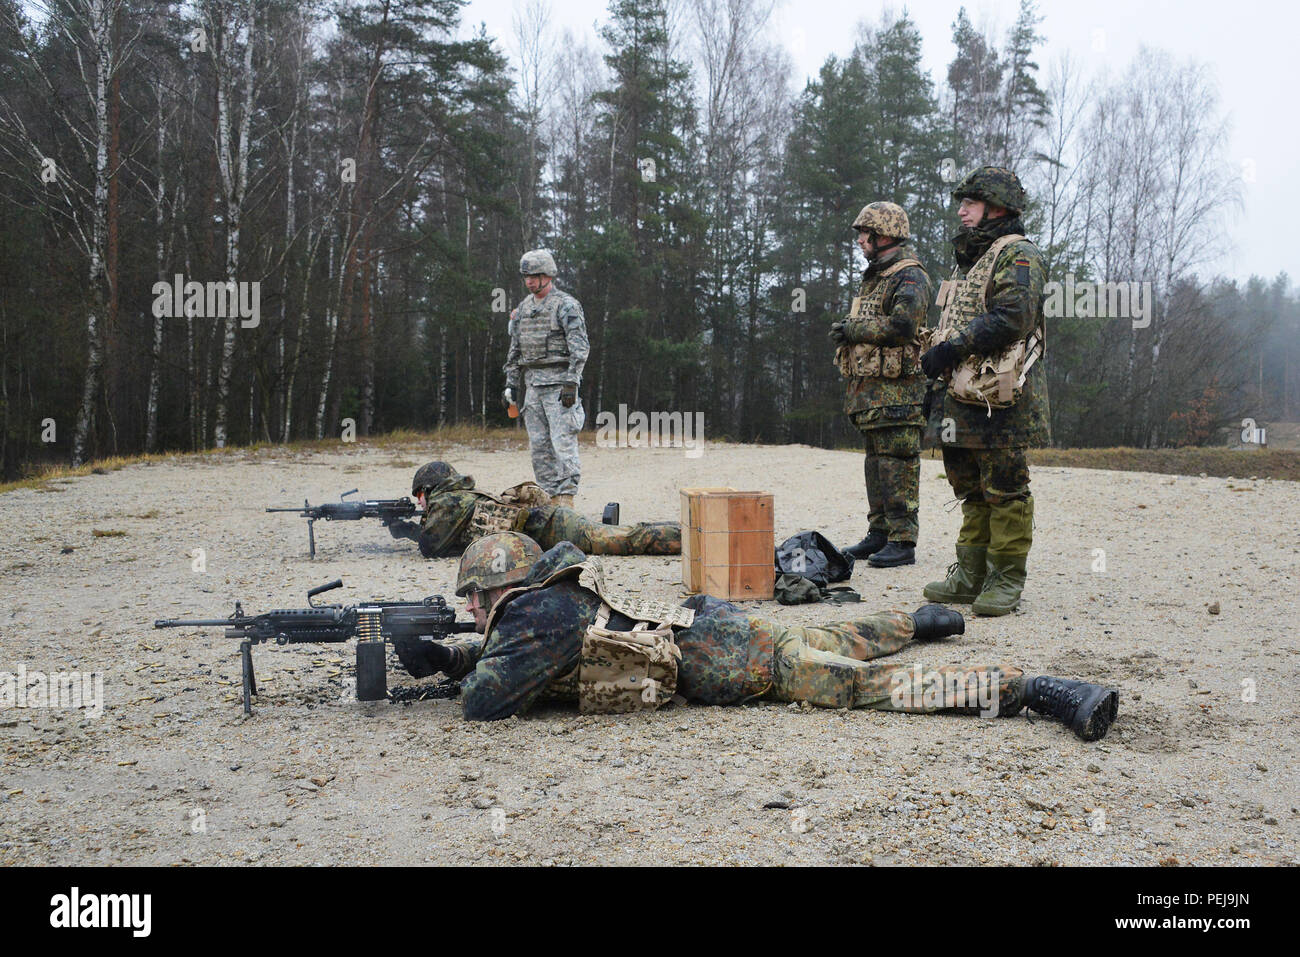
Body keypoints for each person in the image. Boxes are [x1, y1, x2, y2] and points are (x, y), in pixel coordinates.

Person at [411, 532, 1120, 742]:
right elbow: (537, 658)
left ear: (490, 592)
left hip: (744, 662)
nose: (474, 616)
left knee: (867, 685)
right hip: (729, 628)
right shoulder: (553, 605)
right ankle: (924, 619)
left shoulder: (531, 618)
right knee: (832, 633)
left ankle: (1034, 688)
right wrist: (451, 655)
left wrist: (460, 671)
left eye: (474, 607)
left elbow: (488, 702)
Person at [919, 167, 1050, 616]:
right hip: (961, 395)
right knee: (969, 487)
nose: (961, 209)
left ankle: (1005, 578)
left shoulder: (1018, 255)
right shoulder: (969, 260)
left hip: (1002, 398)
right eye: (962, 202)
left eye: (970, 202)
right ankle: (970, 573)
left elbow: (1012, 317)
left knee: (1005, 488)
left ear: (997, 207)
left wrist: (953, 345)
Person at [829, 202, 932, 568]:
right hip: (873, 395)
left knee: (898, 464)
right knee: (875, 465)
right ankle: (880, 533)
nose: (859, 240)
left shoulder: (910, 276)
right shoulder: (877, 276)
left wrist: (852, 329)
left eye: (864, 233)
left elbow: (904, 326)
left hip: (900, 395)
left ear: (883, 234)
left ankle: (903, 540)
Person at [386, 461, 680, 558]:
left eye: (421, 494)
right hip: (550, 524)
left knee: (622, 540)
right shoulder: (456, 499)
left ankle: (687, 537)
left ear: (433, 488)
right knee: (618, 534)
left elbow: (431, 546)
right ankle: (687, 532)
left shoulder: (449, 502)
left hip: (552, 526)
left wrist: (408, 531)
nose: (420, 502)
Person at [503, 250, 590, 508]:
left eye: (536, 276)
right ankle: (549, 502)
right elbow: (515, 351)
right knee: (539, 449)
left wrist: (572, 382)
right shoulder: (522, 311)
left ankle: (566, 502)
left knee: (562, 445)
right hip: (533, 388)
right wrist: (510, 384)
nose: (530, 281)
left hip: (559, 387)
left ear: (548, 275)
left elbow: (580, 348)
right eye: (527, 276)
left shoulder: (566, 306)